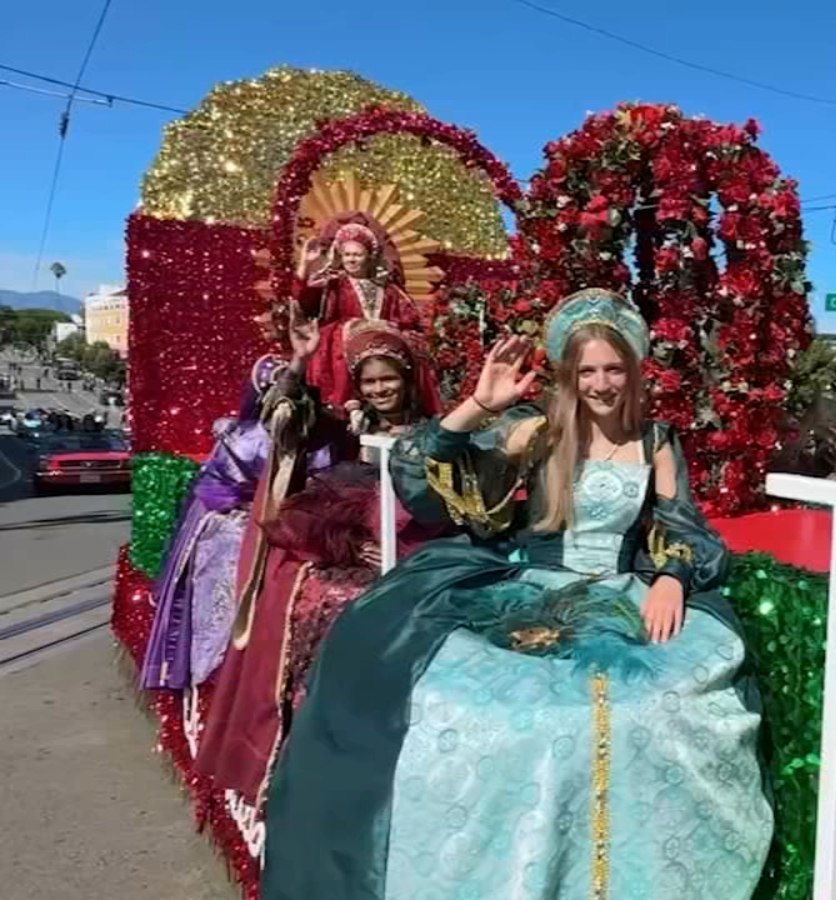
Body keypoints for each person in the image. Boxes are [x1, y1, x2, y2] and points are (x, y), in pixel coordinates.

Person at [260, 288, 772, 900]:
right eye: (587, 371)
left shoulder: (655, 440)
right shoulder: (536, 429)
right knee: (475, 707)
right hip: (527, 587)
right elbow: (418, 478)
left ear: (634, 370)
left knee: (660, 707)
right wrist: (478, 406)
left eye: (613, 369)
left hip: (622, 592)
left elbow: (683, 526)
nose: (601, 384)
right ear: (568, 374)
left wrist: (672, 577)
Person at [195, 317, 440, 801]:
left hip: (418, 550)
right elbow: (285, 418)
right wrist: (300, 361)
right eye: (369, 382)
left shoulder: (435, 431)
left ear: (408, 378)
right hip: (358, 550)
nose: (379, 390)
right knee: (315, 600)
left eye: (388, 379)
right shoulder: (349, 427)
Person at [139, 355, 340, 690]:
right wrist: (254, 511)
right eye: (279, 397)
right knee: (230, 562)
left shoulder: (319, 442)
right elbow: (214, 489)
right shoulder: (242, 438)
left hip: (297, 527)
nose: (286, 407)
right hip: (237, 526)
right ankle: (219, 676)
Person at [292, 221, 438, 409]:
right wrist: (305, 264)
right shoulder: (333, 284)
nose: (351, 259)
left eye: (357, 254)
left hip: (382, 352)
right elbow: (302, 302)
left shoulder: (388, 289)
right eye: (347, 254)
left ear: (369, 256)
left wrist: (388, 329)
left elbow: (409, 321)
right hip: (340, 349)